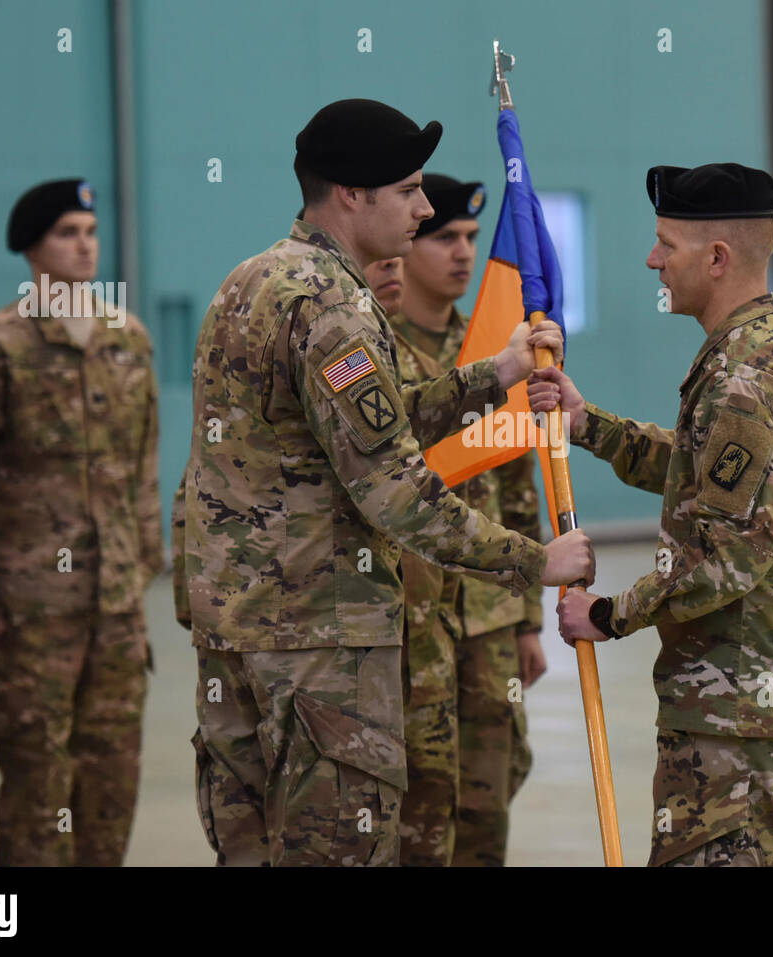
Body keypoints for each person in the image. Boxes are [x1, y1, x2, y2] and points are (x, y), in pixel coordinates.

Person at [175, 99, 593, 867]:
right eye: (408, 190)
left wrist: (492, 374)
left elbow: (360, 422)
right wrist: (537, 560)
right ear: (350, 196)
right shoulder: (333, 305)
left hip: (238, 632)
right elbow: (393, 487)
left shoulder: (251, 281)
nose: (425, 208)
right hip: (318, 644)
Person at [530, 162, 773, 866]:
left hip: (743, 722)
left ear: (717, 257)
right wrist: (592, 426)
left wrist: (610, 613)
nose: (653, 261)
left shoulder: (739, 378)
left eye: (665, 245)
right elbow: (721, 478)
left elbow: (729, 555)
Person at [0, 179, 162, 866]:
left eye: (90, 230)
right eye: (67, 231)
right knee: (37, 794)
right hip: (28, 614)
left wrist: (144, 564)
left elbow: (141, 467)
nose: (85, 243)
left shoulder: (129, 340)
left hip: (114, 609)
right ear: (31, 247)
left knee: (110, 786)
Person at [389, 173, 545, 866]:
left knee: (486, 798)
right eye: (445, 236)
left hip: (487, 619)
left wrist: (530, 618)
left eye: (472, 239)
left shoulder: (491, 348)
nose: (462, 252)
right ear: (405, 246)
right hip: (409, 617)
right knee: (416, 798)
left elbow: (517, 487)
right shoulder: (374, 349)